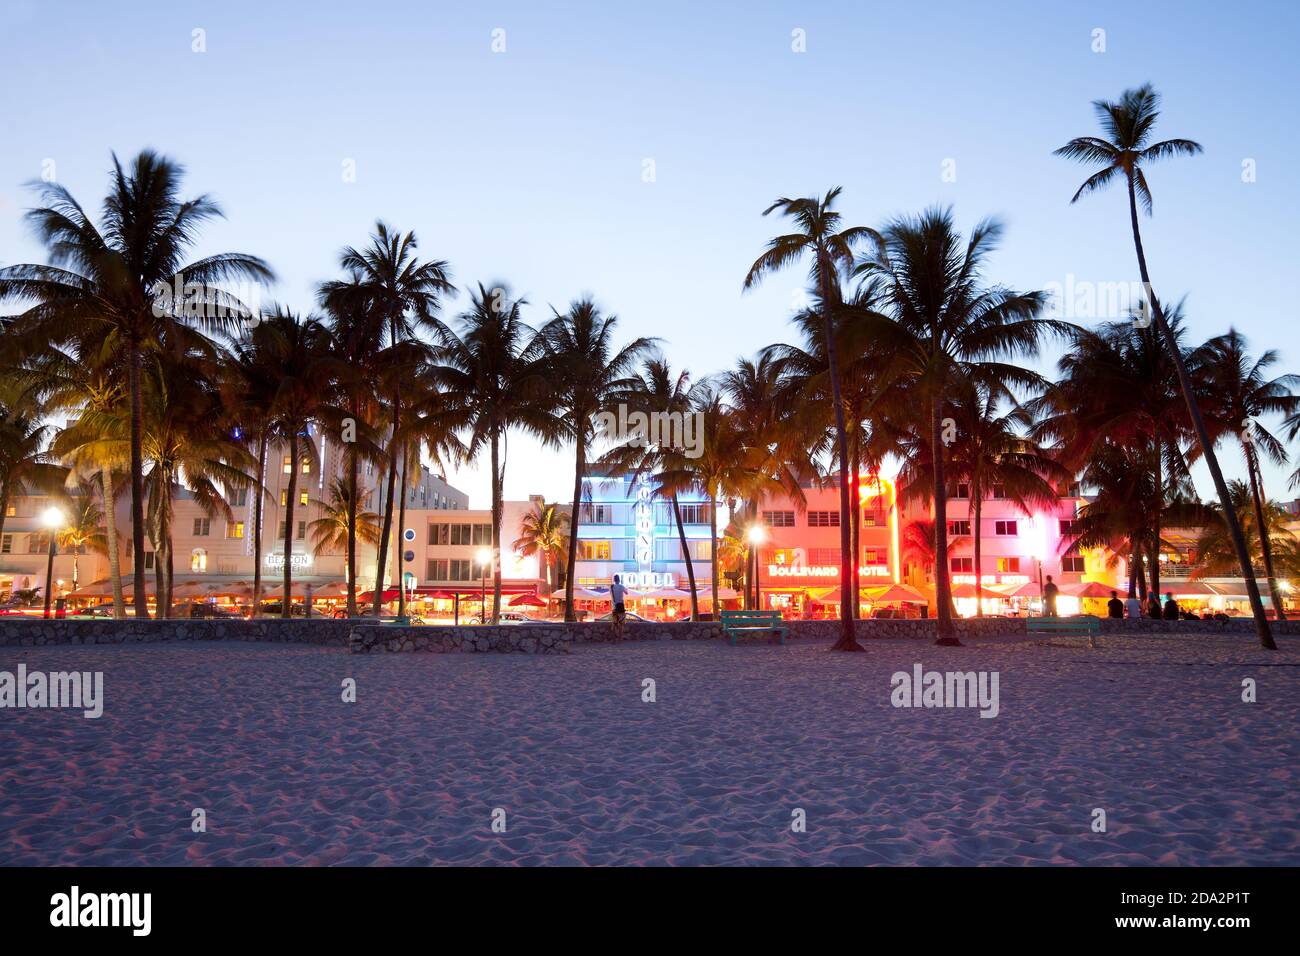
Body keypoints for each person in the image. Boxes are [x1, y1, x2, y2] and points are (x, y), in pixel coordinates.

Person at [609, 574, 627, 639]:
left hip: (614, 607)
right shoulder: (621, 586)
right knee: (621, 624)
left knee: (614, 623)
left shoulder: (611, 587)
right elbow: (626, 592)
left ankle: (613, 638)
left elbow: (611, 594)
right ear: (619, 580)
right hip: (621, 607)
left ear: (614, 580)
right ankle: (620, 638)